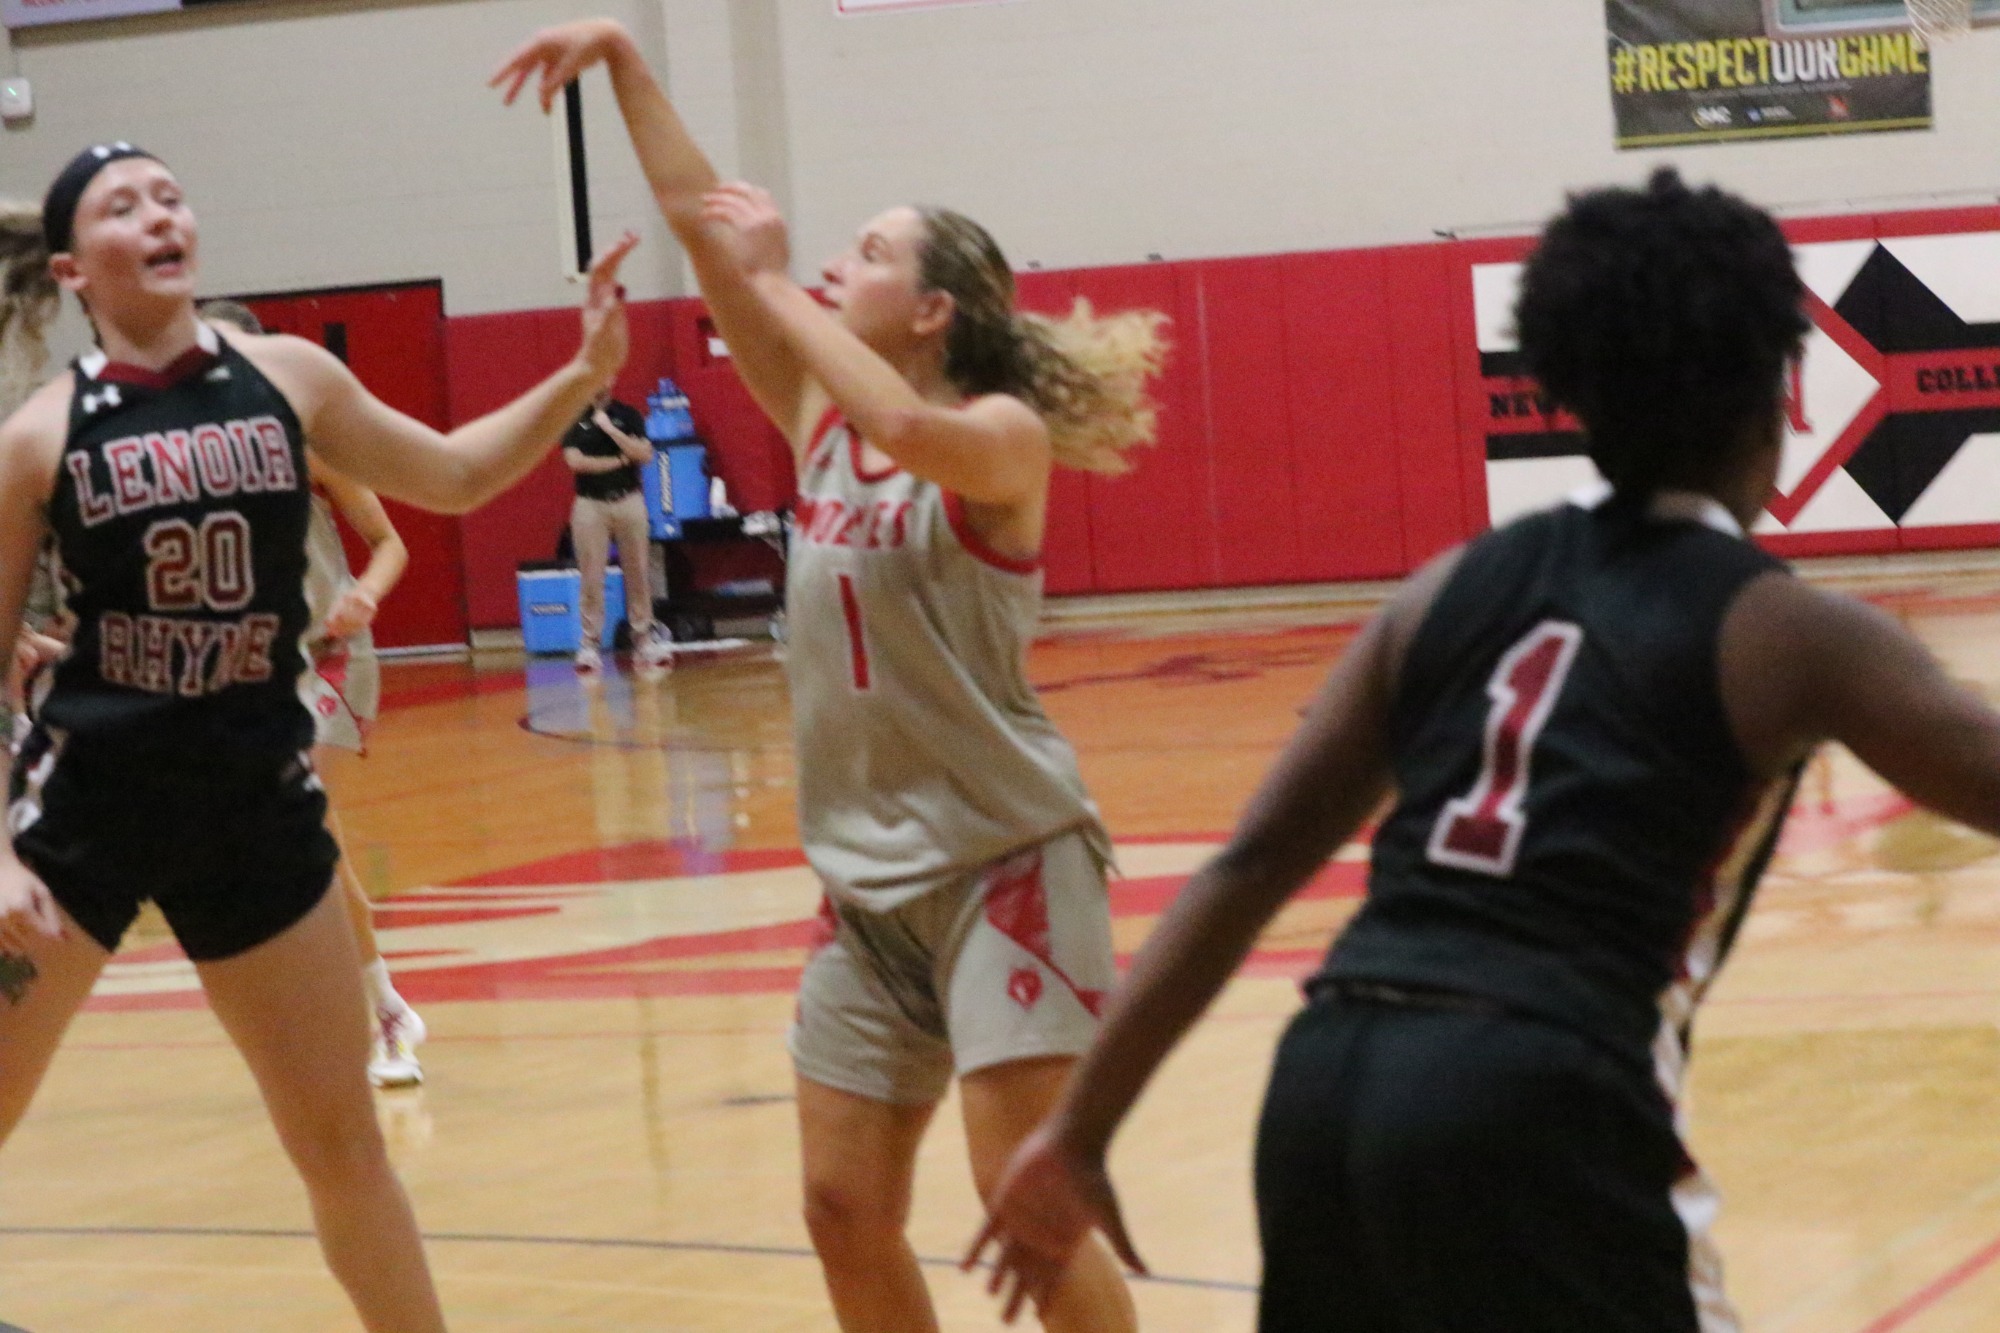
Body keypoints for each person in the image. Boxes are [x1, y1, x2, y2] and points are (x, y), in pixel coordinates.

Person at [969, 167, 2000, 1332]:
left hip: (1324, 1083)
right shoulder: (1786, 630)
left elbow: (1248, 864)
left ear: (1562, 387)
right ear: (1783, 389)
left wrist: (1080, 1127)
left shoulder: (1444, 588)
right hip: (1532, 1101)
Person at [495, 24, 1166, 1333]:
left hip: (1004, 865)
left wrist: (776, 287)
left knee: (1016, 1200)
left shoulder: (997, 435)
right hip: (865, 882)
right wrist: (630, 61)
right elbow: (709, 230)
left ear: (932, 313)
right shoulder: (815, 421)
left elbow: (904, 425)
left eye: (865, 255)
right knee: (839, 1205)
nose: (828, 265)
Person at [0, 142, 634, 1333]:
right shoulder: (39, 435)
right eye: (126, 206)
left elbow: (448, 477)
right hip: (87, 809)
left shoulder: (286, 375)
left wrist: (578, 373)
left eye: (172, 195)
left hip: (252, 802)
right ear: (78, 267)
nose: (161, 214)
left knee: (342, 1146)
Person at [198, 298, 429, 1088]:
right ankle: (366, 1002)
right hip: (256, 668)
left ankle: (386, 1013)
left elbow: (391, 542)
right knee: (290, 847)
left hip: (332, 654)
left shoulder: (308, 443)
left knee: (313, 824)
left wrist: (363, 592)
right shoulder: (193, 457)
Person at [562, 385, 670, 674]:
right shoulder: (573, 415)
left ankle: (644, 637)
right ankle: (589, 644)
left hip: (628, 500)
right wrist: (621, 460)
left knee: (638, 571)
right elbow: (576, 462)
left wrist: (610, 430)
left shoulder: (628, 414)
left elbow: (645, 454)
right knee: (591, 575)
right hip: (590, 505)